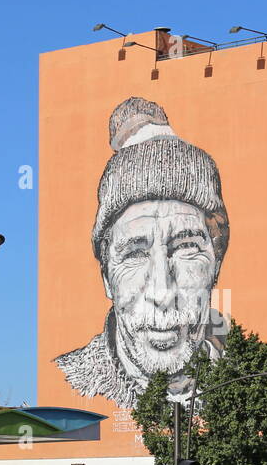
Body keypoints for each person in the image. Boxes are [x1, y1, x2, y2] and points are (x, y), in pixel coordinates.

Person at [55, 97, 231, 409]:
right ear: (106, 277)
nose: (162, 291)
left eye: (186, 248)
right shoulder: (72, 381)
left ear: (216, 263)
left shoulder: (243, 375)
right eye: (135, 253)